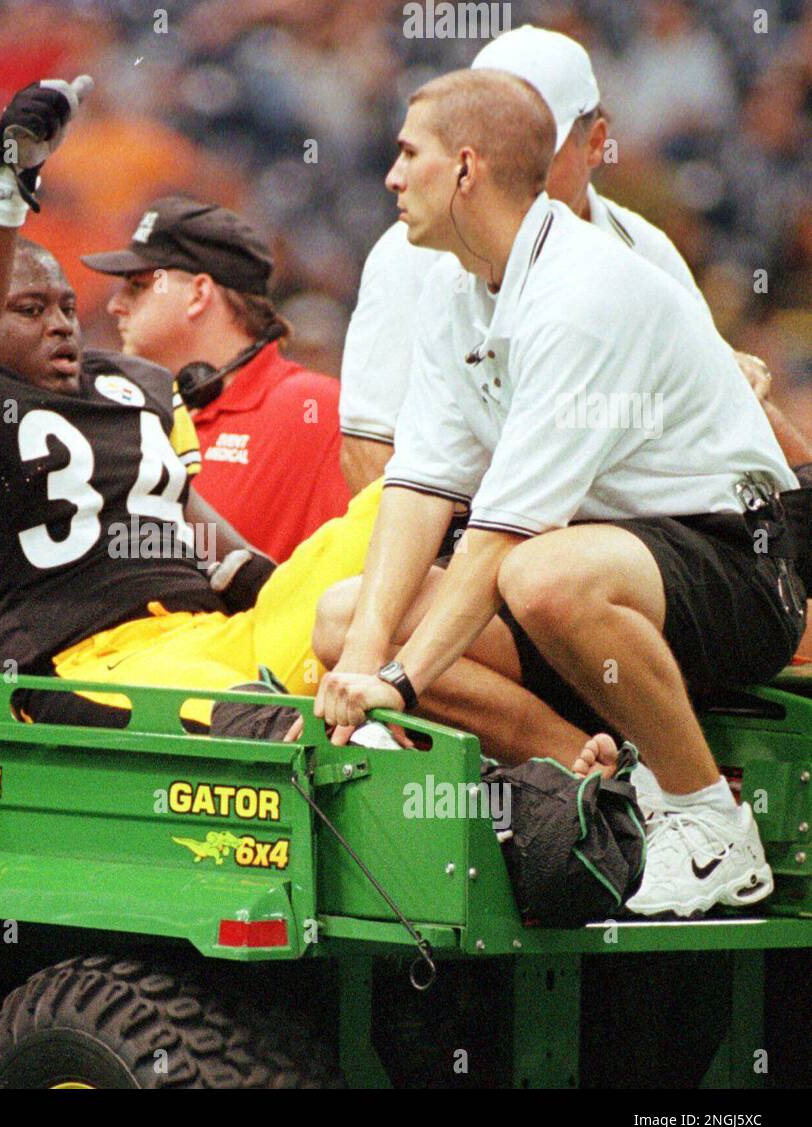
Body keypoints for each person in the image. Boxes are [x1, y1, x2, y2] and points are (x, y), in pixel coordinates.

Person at [315, 68, 802, 919]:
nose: (390, 177)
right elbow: (420, 488)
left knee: (541, 576)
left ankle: (711, 822)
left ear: (464, 168)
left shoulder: (585, 293)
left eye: (407, 154)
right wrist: (362, 662)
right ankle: (618, 785)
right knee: (338, 616)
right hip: (606, 577)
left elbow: (503, 534)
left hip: (741, 568)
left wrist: (401, 679)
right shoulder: (452, 288)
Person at [0, 78, 381, 736]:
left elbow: (209, 542)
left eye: (65, 308)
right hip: (94, 662)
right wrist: (3, 187)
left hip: (219, 633)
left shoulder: (135, 382)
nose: (64, 326)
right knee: (268, 724)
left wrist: (295, 592)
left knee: (398, 511)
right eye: (30, 310)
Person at [337, 24, 771, 494]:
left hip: (614, 532)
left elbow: (720, 408)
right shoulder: (410, 254)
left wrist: (738, 370)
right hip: (462, 527)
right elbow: (368, 452)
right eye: (491, 145)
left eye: (540, 147)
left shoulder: (642, 249)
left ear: (594, 141)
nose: (513, 163)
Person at [81, 198, 350, 562]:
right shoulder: (137, 417)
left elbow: (349, 568)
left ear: (198, 294)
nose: (115, 305)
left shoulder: (315, 409)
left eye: (137, 286)